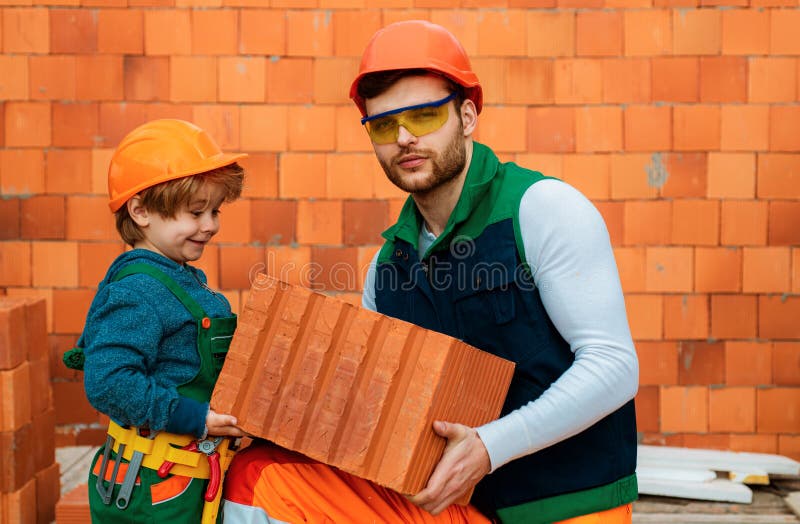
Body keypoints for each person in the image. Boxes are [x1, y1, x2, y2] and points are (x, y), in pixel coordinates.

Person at [223, 20, 638, 524]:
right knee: (256, 476)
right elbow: (382, 421)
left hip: (565, 508)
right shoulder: (387, 269)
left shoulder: (541, 209)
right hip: (452, 509)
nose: (403, 138)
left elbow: (615, 367)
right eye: (383, 125)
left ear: (466, 116)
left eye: (423, 116)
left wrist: (488, 447)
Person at [65, 119, 247, 523]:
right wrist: (195, 418)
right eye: (196, 211)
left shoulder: (178, 277)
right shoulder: (137, 291)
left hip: (185, 482)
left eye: (215, 211)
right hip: (151, 493)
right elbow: (109, 382)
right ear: (141, 210)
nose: (211, 224)